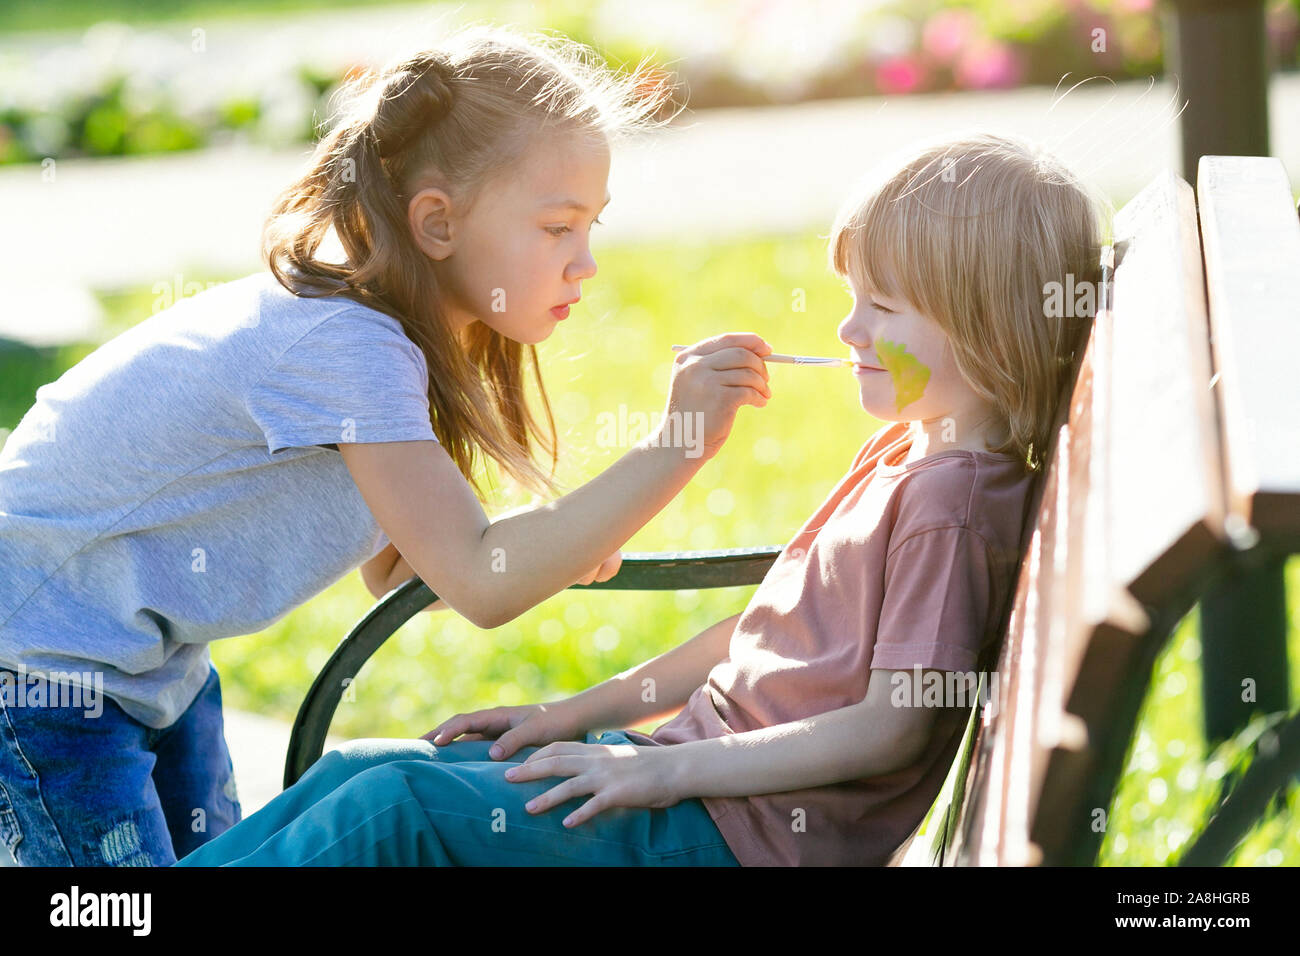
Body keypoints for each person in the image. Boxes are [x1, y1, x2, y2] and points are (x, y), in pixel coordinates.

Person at [173, 131, 1108, 867]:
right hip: (703, 795)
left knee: (393, 810)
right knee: (368, 770)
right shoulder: (909, 452)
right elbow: (758, 639)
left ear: (985, 326)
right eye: (854, 295)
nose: (847, 326)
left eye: (886, 308)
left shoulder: (949, 501)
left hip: (734, 838)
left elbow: (893, 723)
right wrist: (573, 715)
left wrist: (660, 769)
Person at [0, 26, 773, 867]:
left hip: (145, 670)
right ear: (437, 222)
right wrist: (680, 442)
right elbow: (478, 579)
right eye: (558, 227)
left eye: (592, 226)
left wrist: (555, 545)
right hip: (44, 675)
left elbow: (410, 573)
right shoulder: (349, 345)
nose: (585, 262)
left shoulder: (394, 338)